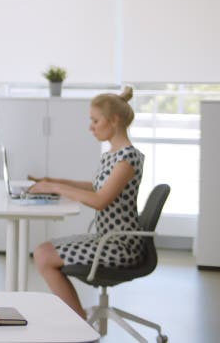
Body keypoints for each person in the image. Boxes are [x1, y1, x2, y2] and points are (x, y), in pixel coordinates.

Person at [30, 86, 144, 318]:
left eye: (95, 120)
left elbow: (100, 200)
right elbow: (96, 187)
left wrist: (54, 188)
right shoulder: (112, 154)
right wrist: (53, 181)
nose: (90, 127)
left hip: (120, 246)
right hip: (106, 239)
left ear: (113, 120)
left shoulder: (128, 158)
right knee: (43, 250)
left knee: (43, 256)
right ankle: (78, 317)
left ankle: (78, 322)